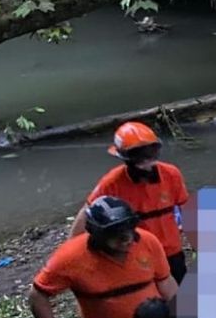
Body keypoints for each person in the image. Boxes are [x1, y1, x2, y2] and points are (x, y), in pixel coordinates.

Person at [30, 196, 178, 318]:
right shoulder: (70, 257)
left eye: (128, 229)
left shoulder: (148, 242)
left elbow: (165, 281)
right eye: (115, 233)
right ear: (98, 235)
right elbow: (38, 295)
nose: (126, 238)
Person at [71, 121, 191, 284]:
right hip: (137, 252)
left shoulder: (171, 174)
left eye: (149, 154)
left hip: (171, 250)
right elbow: (88, 211)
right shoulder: (112, 182)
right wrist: (72, 251)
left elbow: (186, 207)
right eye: (139, 157)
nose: (146, 163)